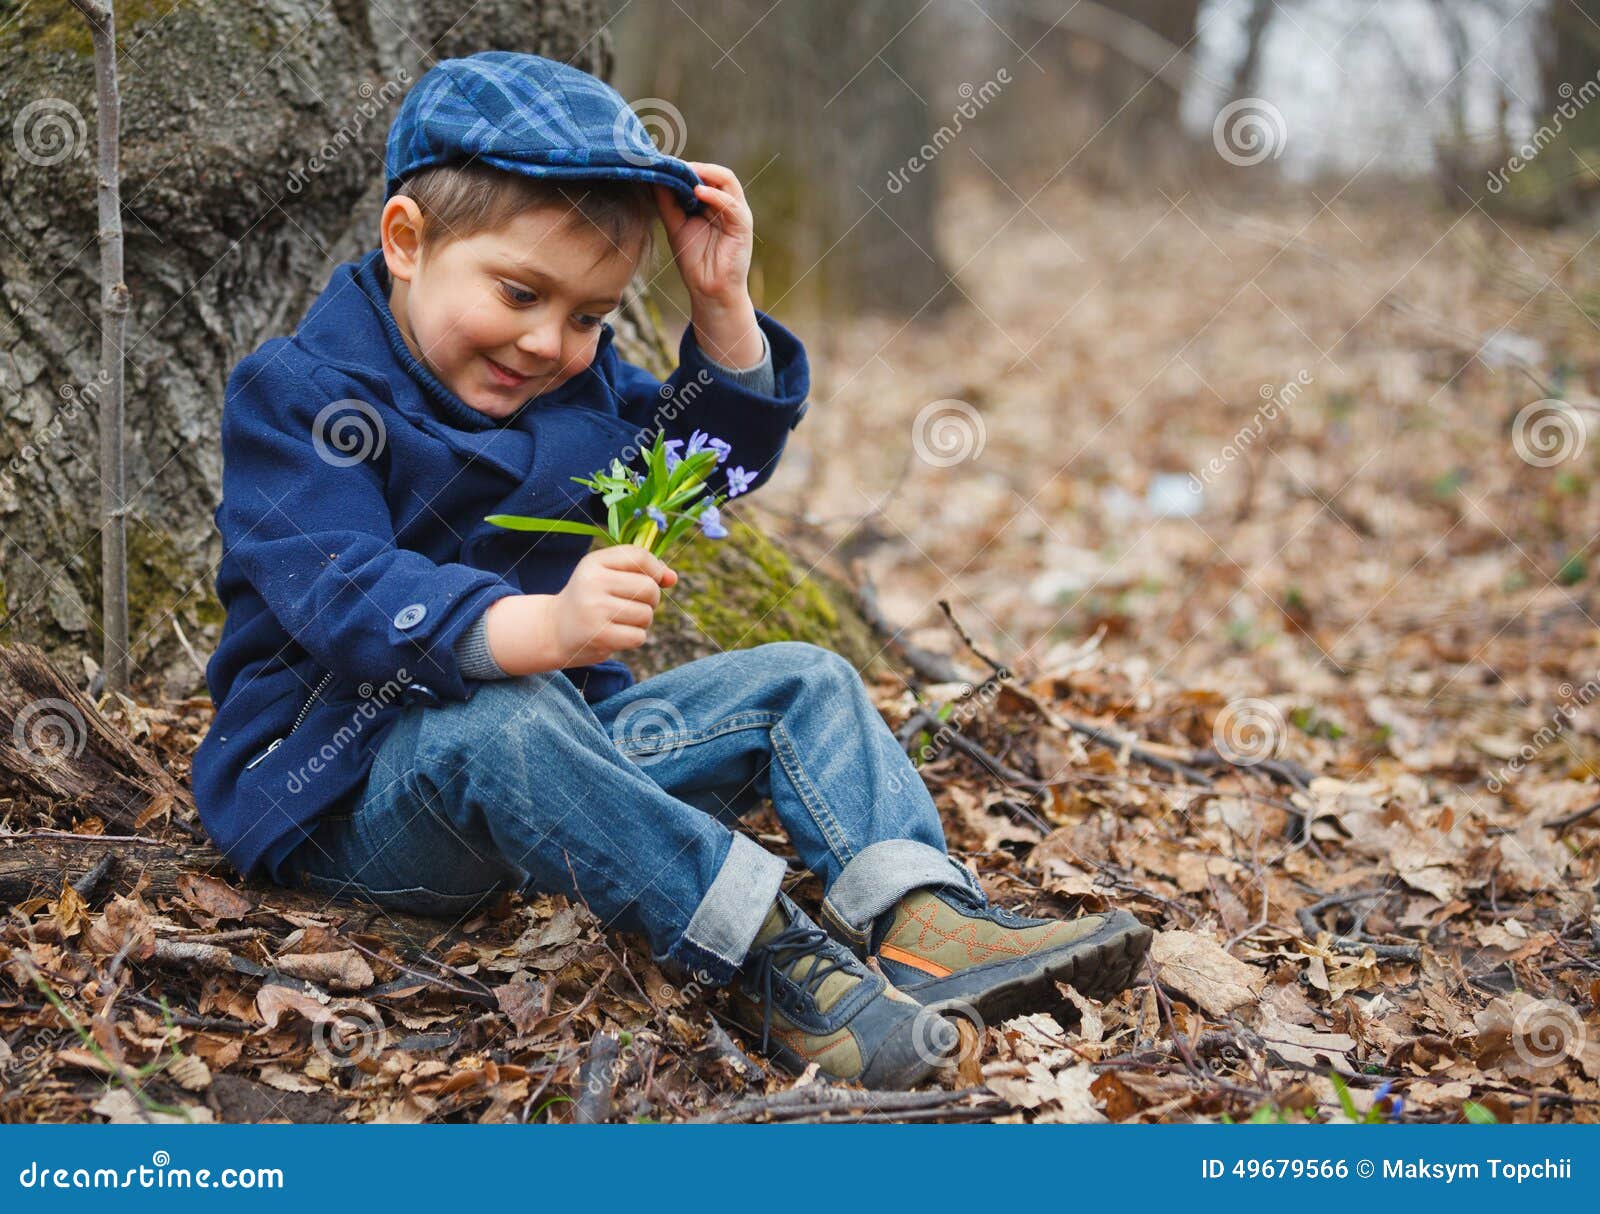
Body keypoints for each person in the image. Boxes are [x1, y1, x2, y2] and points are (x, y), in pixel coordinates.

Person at [192, 51, 1151, 1091]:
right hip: (351, 796)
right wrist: (540, 629)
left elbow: (703, 468)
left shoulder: (575, 390)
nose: (546, 342)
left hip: (570, 773)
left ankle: (927, 923)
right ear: (407, 241)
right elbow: (339, 585)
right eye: (520, 292)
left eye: (589, 315)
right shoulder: (302, 395)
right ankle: (772, 964)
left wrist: (722, 304)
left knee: (805, 679)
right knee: (502, 720)